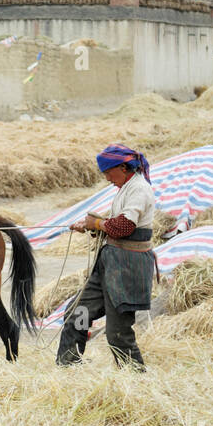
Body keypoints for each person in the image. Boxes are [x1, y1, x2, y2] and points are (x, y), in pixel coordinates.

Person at [56, 143, 157, 369]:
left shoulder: (139, 189)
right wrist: (90, 226)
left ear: (122, 168)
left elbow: (123, 227)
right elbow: (114, 225)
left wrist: (97, 223)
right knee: (77, 312)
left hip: (127, 267)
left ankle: (136, 379)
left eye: (108, 173)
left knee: (118, 333)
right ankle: (69, 365)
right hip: (110, 264)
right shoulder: (125, 188)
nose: (107, 179)